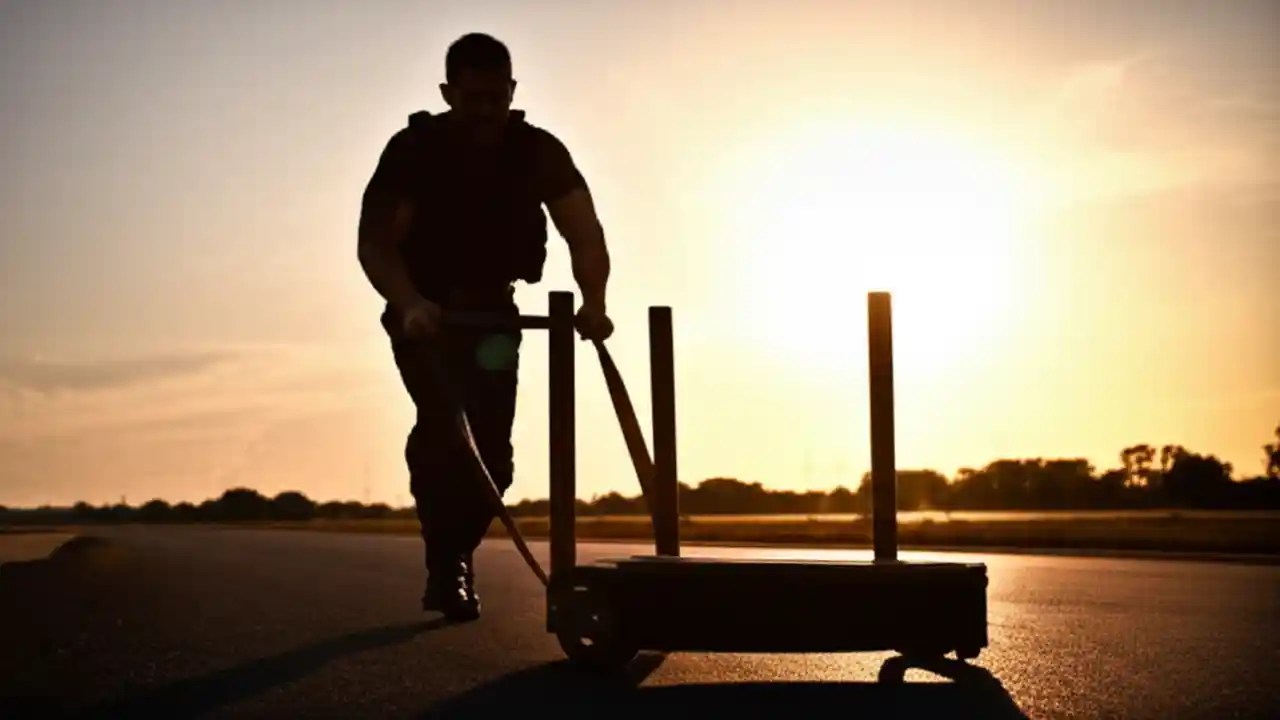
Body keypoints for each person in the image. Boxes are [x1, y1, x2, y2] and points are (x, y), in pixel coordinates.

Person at [357, 32, 614, 622]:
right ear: (448, 92)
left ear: (512, 92)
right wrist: (409, 302)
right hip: (425, 319)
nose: (484, 111)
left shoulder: (537, 150)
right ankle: (447, 566)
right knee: (448, 428)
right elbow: (375, 245)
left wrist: (594, 302)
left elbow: (584, 230)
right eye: (471, 99)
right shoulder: (414, 150)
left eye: (495, 98)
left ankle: (457, 549)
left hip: (496, 320)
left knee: (493, 453)